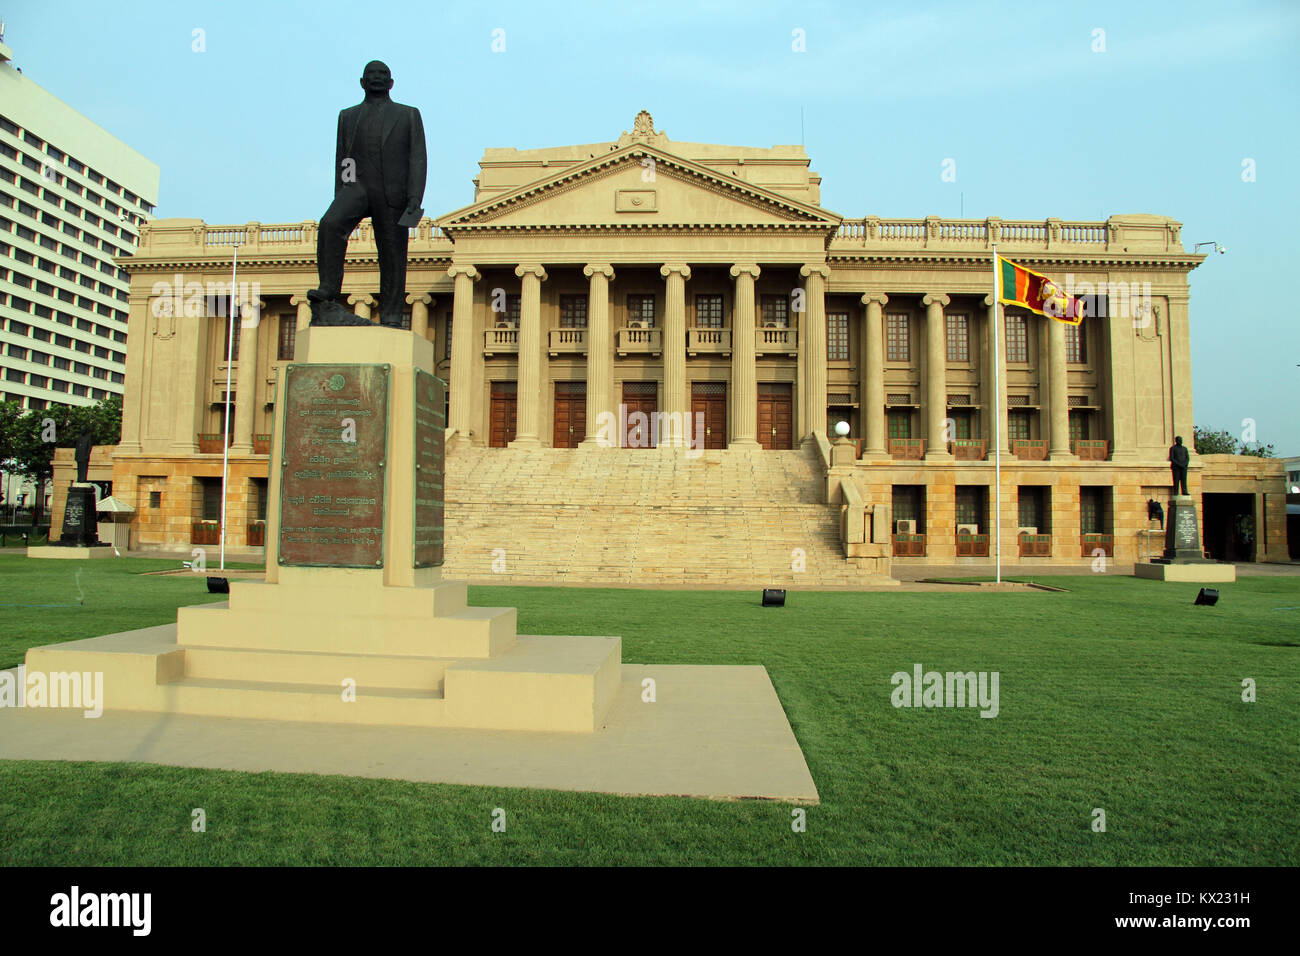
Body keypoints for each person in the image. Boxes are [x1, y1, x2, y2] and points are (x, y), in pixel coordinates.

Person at [309, 61, 426, 328]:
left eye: (382, 74)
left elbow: (417, 158)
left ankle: (392, 315)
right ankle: (328, 289)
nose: (377, 78)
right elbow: (343, 157)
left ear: (391, 83)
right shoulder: (347, 116)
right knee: (330, 224)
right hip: (357, 187)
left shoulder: (408, 114)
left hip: (392, 191)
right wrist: (341, 194)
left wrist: (414, 198)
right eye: (372, 75)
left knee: (392, 254)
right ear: (362, 82)